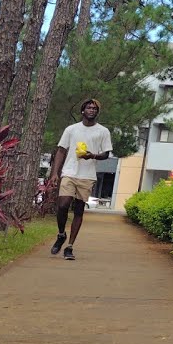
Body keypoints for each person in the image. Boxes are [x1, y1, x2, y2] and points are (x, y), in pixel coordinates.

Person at [49, 98, 113, 260]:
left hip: (87, 175)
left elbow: (106, 154)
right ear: (82, 111)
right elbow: (61, 150)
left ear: (97, 112)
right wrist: (55, 173)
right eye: (88, 107)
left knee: (78, 210)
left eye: (94, 108)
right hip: (69, 172)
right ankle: (61, 234)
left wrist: (93, 155)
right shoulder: (71, 129)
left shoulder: (103, 131)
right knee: (63, 205)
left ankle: (69, 247)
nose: (91, 110)